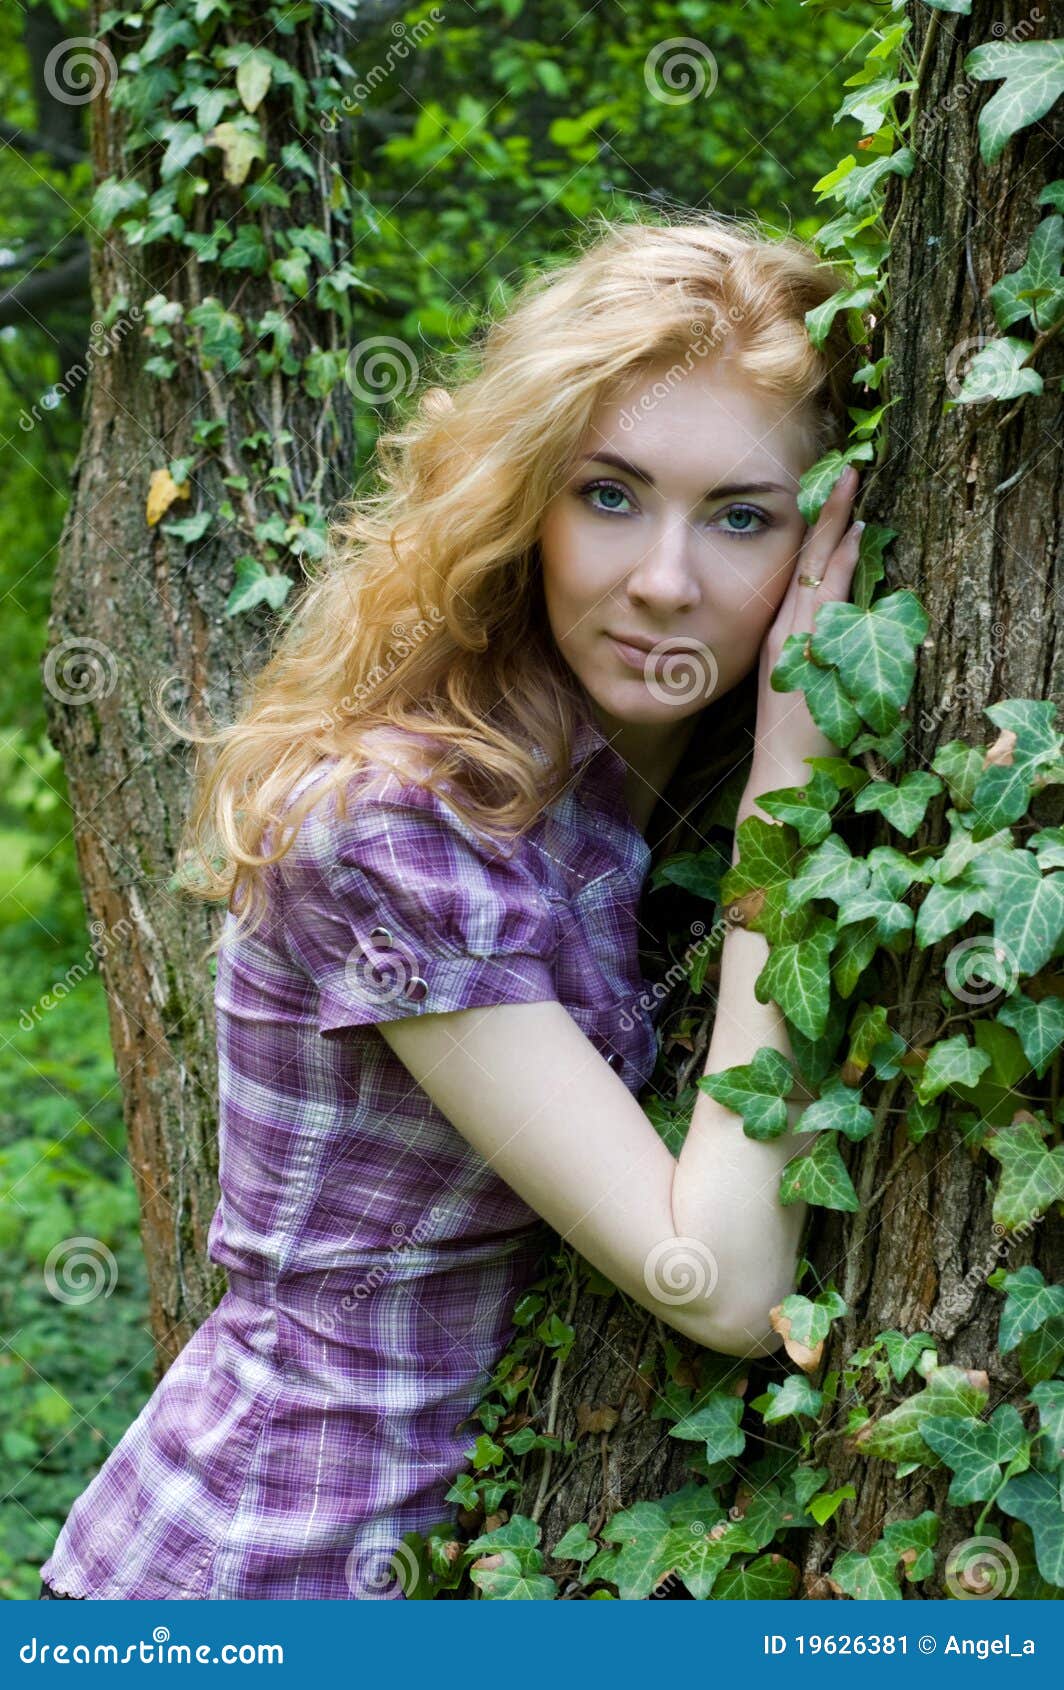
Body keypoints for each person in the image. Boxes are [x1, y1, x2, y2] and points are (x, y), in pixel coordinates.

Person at [38, 210, 863, 1601]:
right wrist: (791, 791)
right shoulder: (400, 824)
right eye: (609, 493)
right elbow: (715, 1278)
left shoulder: (627, 799)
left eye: (740, 516)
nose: (664, 579)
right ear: (523, 499)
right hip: (238, 1580)